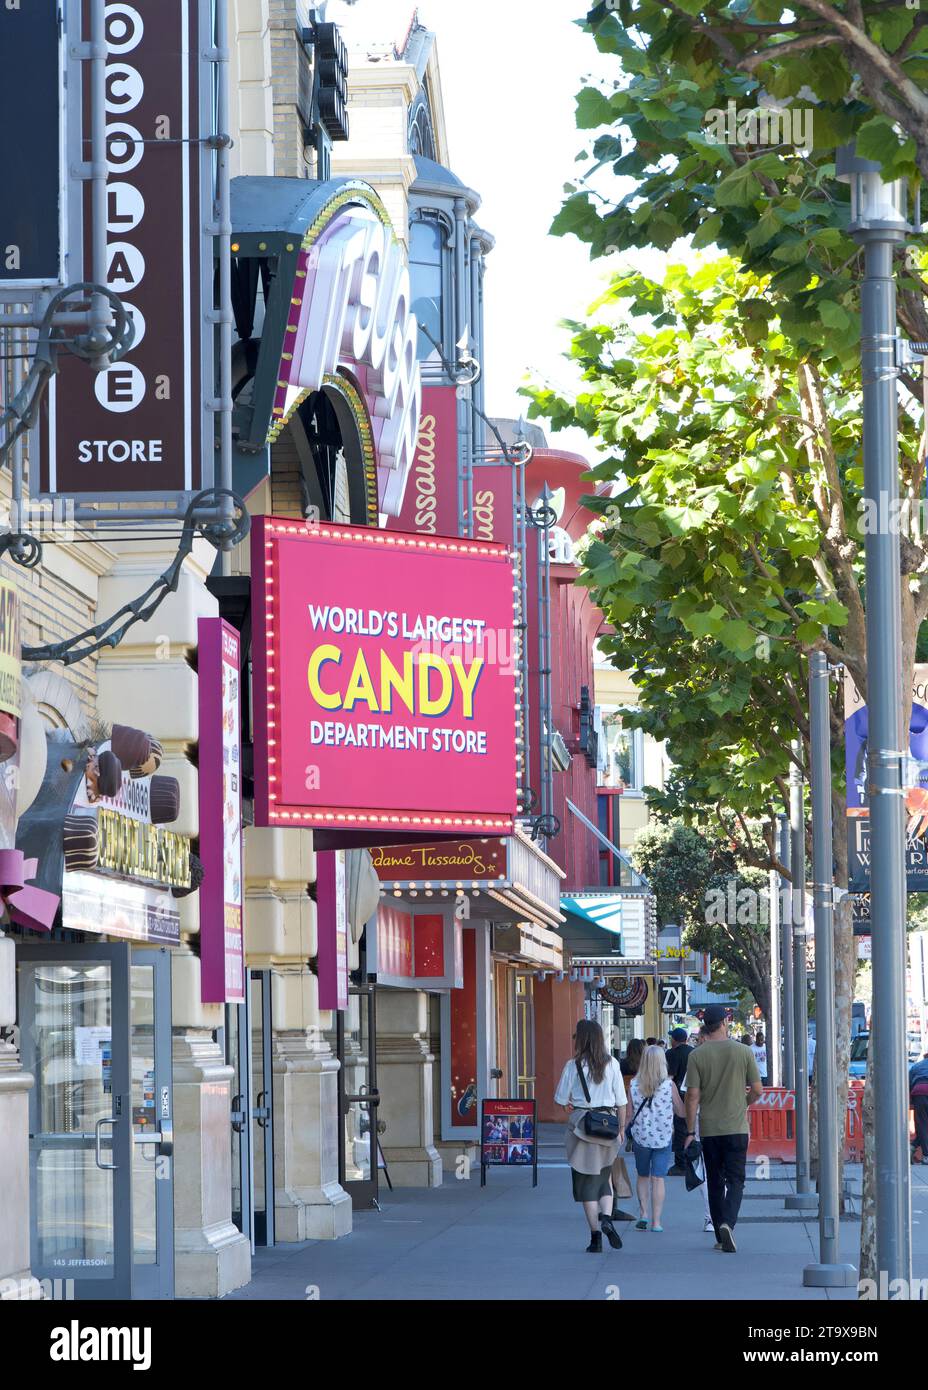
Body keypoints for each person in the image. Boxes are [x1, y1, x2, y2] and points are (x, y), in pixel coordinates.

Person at [684, 1003, 763, 1253]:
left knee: (715, 1181)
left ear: (705, 1026)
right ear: (725, 1023)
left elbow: (693, 1096)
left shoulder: (696, 1055)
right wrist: (744, 1103)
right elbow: (758, 1090)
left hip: (709, 1129)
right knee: (736, 1180)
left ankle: (719, 1232)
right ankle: (729, 1222)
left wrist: (689, 1131)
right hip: (737, 1126)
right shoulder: (743, 1051)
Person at [555, 1019, 627, 1252]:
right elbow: (621, 1102)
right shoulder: (613, 1063)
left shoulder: (573, 1065)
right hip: (607, 1125)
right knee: (605, 1177)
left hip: (582, 1126)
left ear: (581, 1039)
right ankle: (606, 1217)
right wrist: (622, 1128)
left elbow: (559, 1099)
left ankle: (595, 1237)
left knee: (586, 1182)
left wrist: (570, 1105)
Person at [627, 1044, 686, 1232]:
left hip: (640, 1138)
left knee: (643, 1175)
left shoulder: (634, 1085)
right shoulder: (669, 1086)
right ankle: (656, 1222)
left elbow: (629, 1114)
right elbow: (681, 1112)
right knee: (658, 1179)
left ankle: (643, 1214)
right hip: (663, 1138)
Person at [665, 1027, 693, 1176]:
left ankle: (680, 1164)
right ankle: (691, 1160)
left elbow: (669, 1076)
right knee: (692, 1128)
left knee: (680, 1128)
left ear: (674, 1040)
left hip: (678, 1095)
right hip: (694, 1093)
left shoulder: (671, 1054)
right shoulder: (693, 1052)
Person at [910, 1048, 928, 1164]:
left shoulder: (916, 1066)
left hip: (919, 1093)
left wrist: (910, 1102)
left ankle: (913, 1147)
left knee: (922, 1125)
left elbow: (908, 1083)